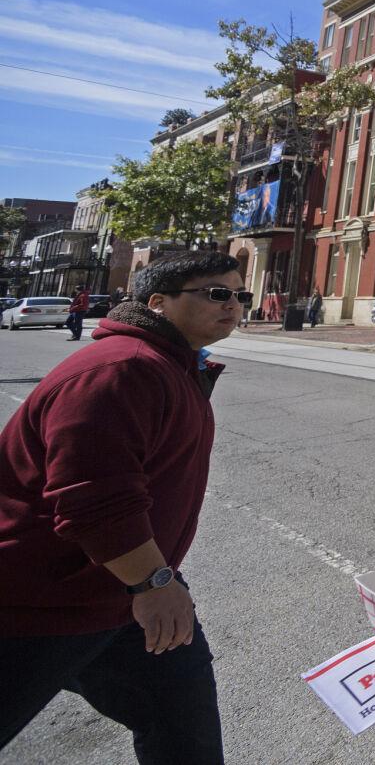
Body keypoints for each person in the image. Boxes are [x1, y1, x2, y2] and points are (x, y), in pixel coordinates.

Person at [0, 252, 246, 762]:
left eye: (239, 295)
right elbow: (94, 499)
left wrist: (155, 582)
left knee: (185, 732)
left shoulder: (168, 363)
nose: (234, 306)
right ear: (157, 303)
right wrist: (153, 582)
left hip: (127, 595)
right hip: (42, 601)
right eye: (217, 293)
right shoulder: (123, 369)